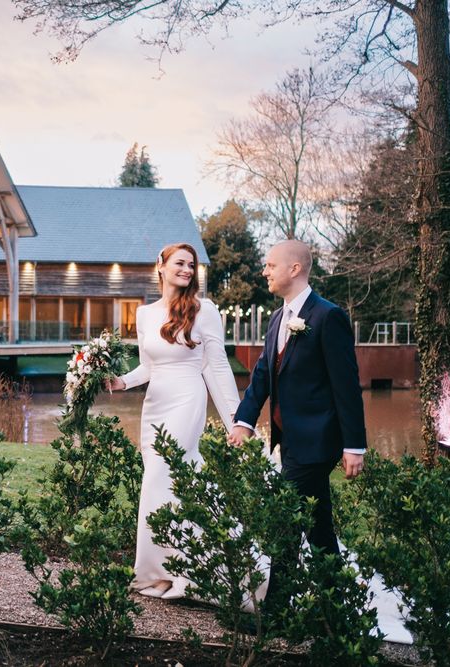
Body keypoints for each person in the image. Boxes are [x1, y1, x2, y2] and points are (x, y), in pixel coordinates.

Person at [228, 239, 366, 623]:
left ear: (294, 269)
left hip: (317, 442)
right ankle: (338, 606)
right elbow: (262, 378)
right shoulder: (277, 319)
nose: (265, 271)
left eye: (271, 264)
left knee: (287, 523)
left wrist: (355, 445)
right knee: (318, 528)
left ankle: (275, 613)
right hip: (288, 442)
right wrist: (243, 421)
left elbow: (347, 385)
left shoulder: (328, 316)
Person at [104, 243, 241, 599]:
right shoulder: (146, 313)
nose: (187, 270)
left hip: (186, 398)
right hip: (155, 404)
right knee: (155, 482)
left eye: (191, 265)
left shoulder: (204, 309)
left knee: (173, 475)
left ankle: (186, 573)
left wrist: (236, 421)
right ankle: (155, 572)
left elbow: (218, 365)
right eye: (179, 263)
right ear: (161, 266)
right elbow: (148, 366)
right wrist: (122, 381)